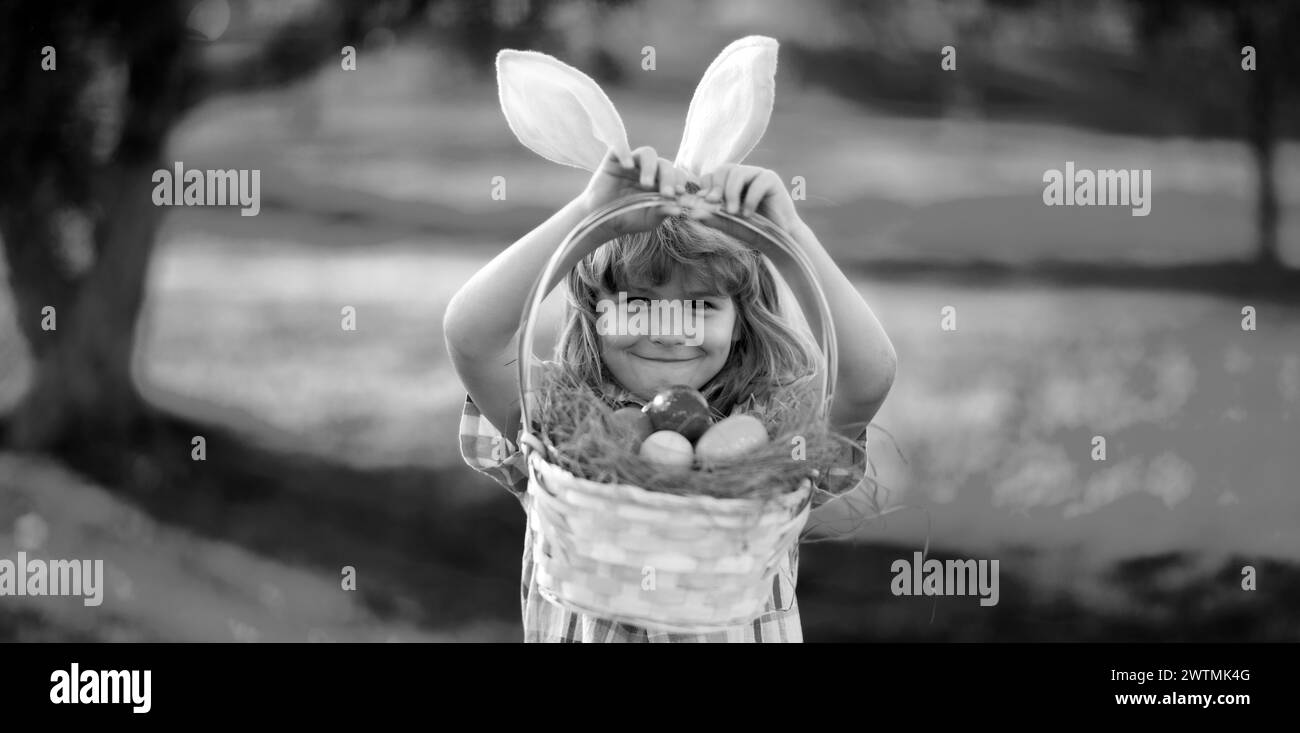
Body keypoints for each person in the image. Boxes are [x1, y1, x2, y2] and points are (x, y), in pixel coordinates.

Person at [444, 37, 896, 642]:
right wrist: (590, 216)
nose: (669, 329)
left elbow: (867, 377)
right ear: (595, 315)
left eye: (702, 306)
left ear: (742, 322)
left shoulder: (769, 439)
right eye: (637, 304)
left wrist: (787, 238)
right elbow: (471, 336)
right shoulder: (567, 430)